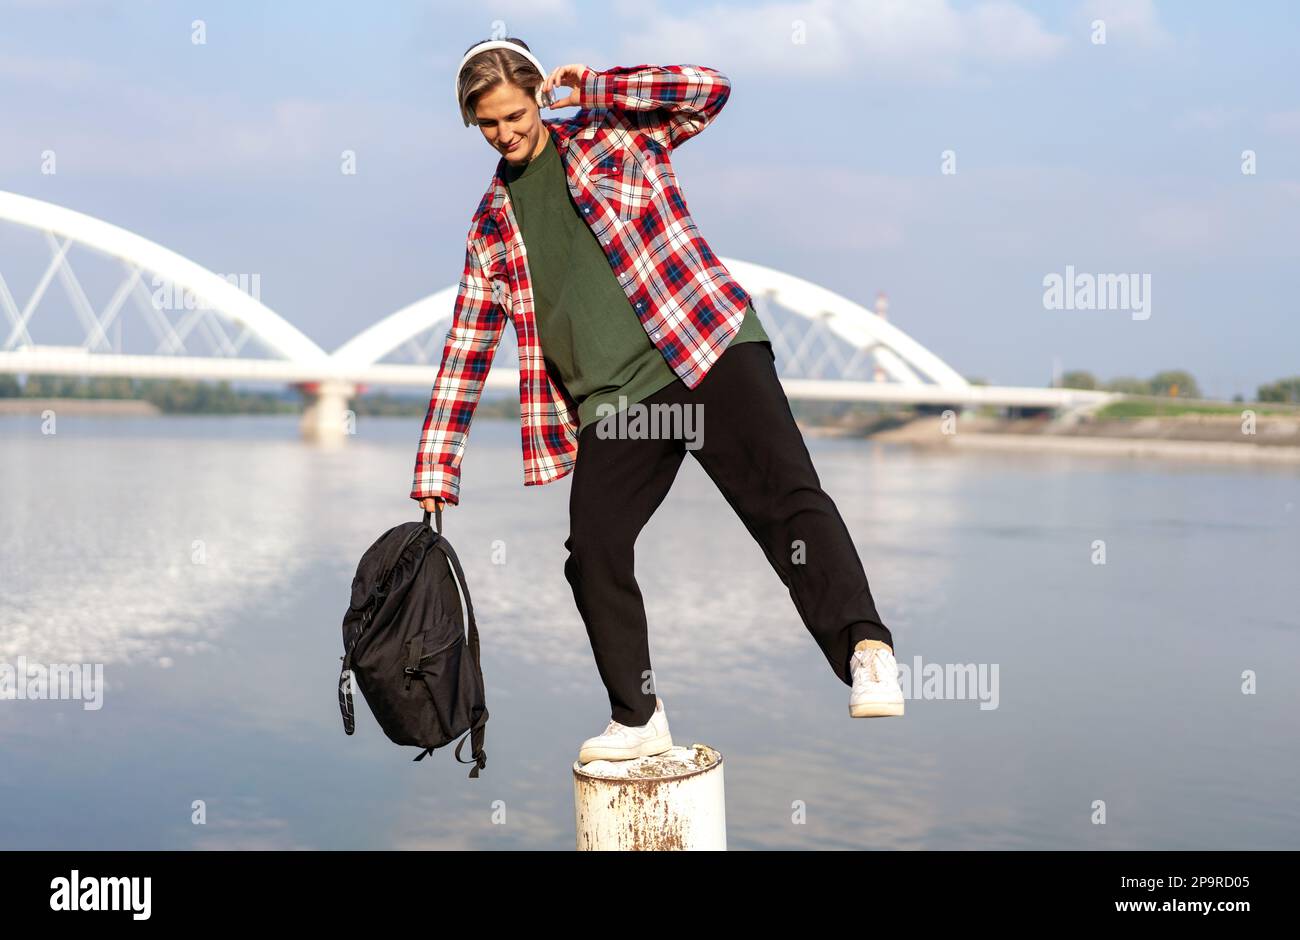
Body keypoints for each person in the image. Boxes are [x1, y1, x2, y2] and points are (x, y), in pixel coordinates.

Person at [412, 37, 903, 764]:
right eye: (488, 125)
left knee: (786, 505)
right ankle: (638, 717)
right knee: (594, 550)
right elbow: (466, 346)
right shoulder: (491, 222)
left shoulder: (613, 134)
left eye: (515, 115)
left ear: (538, 96)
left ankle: (865, 649)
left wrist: (602, 87)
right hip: (621, 403)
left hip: (707, 347)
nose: (506, 133)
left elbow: (709, 90)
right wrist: (435, 466)